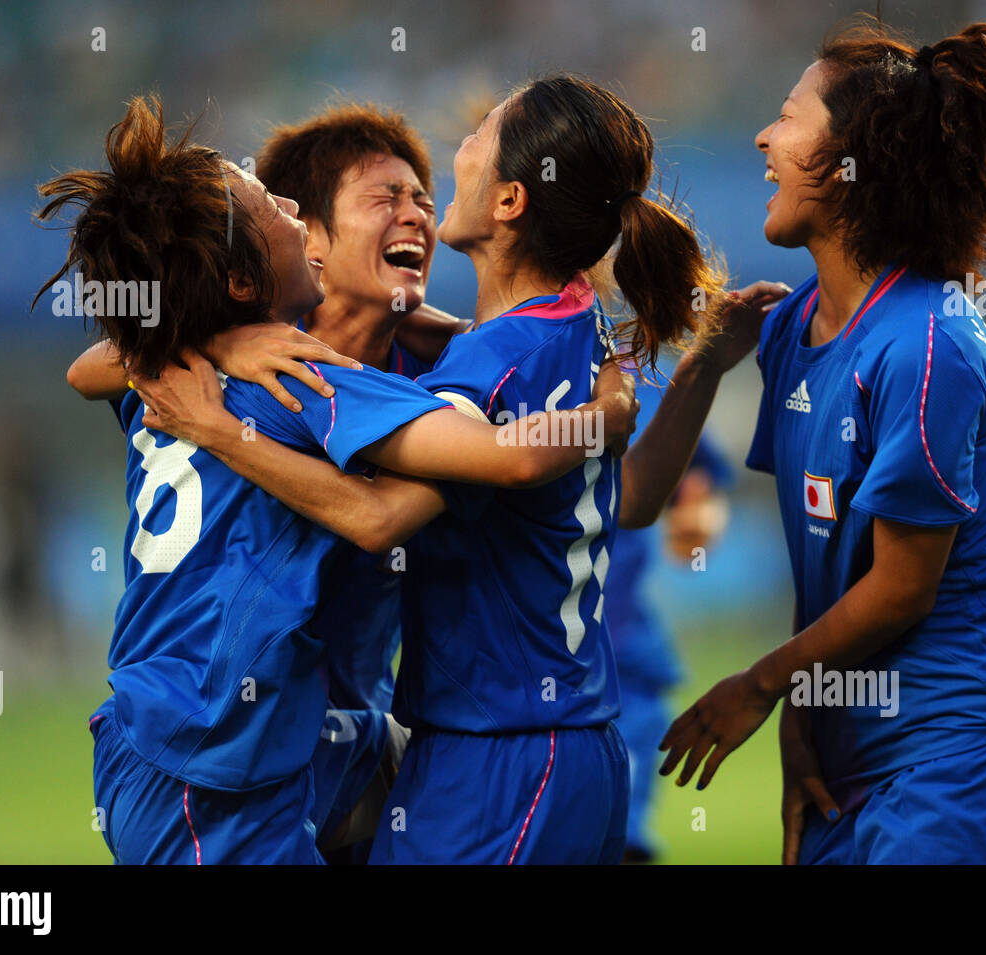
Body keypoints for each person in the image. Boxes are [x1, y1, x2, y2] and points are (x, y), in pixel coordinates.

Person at [135, 73, 784, 863]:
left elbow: (379, 517)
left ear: (511, 201)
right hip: (552, 750)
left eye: (475, 142)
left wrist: (223, 428)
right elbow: (636, 499)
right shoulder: (574, 322)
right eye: (385, 197)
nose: (437, 180)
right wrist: (682, 381)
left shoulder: (474, 373)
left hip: (498, 761)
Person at [38, 95, 636, 864]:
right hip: (214, 755)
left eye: (421, 195)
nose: (416, 212)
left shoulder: (193, 362)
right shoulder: (312, 381)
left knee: (410, 766)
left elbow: (98, 364)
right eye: (384, 198)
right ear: (309, 247)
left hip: (285, 736)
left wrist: (218, 342)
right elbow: (471, 472)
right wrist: (609, 407)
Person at [657, 18, 986, 865]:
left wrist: (761, 685)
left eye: (788, 116)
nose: (763, 137)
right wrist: (806, 722)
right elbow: (824, 565)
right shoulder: (789, 331)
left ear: (853, 162)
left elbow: (900, 589)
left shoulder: (930, 344)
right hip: (844, 760)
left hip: (959, 751)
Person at [606, 364, 733, 863]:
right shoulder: (475, 358)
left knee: (618, 843)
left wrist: (699, 514)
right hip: (506, 678)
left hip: (618, 664)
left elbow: (699, 485)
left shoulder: (643, 380)